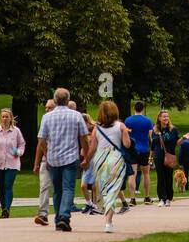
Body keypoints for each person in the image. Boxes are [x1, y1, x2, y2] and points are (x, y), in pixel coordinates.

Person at [34, 87, 91, 233]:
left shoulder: (47, 117)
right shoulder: (76, 116)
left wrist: (46, 155)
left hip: (53, 158)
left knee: (57, 190)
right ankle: (64, 217)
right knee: (68, 188)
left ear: (54, 100)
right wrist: (86, 155)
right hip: (70, 157)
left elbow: (41, 140)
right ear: (67, 100)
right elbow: (84, 137)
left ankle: (59, 218)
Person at [89, 100, 132, 233]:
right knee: (113, 190)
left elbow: (93, 147)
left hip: (100, 160)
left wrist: (86, 160)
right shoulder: (121, 126)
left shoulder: (97, 128)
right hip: (115, 160)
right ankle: (108, 222)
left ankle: (107, 218)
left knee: (105, 190)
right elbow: (127, 144)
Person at [124, 101, 154, 205]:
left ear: (134, 108)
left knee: (132, 174)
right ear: (143, 109)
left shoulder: (128, 120)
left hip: (133, 149)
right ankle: (147, 197)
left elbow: (126, 135)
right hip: (144, 149)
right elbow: (151, 137)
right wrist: (152, 150)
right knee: (146, 173)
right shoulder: (148, 121)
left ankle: (132, 199)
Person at [151, 110, 179, 206]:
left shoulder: (173, 129)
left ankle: (168, 198)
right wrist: (150, 157)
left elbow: (176, 142)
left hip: (169, 155)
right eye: (164, 116)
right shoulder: (155, 130)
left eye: (167, 116)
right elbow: (152, 146)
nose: (166, 118)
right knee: (161, 177)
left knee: (168, 176)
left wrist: (183, 138)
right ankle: (162, 198)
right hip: (159, 155)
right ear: (159, 118)